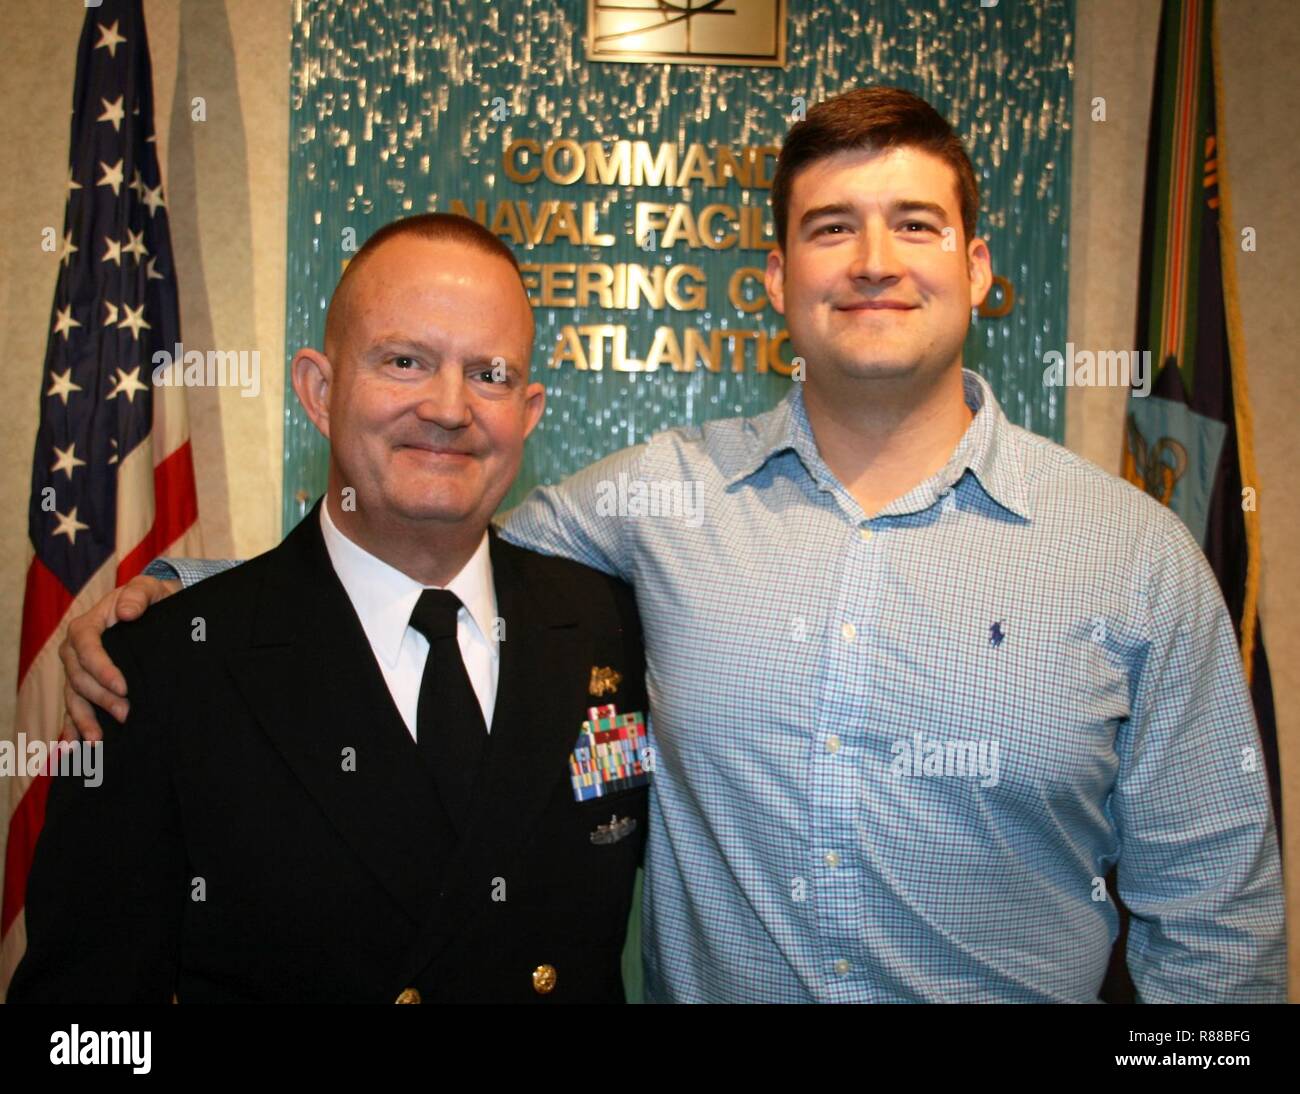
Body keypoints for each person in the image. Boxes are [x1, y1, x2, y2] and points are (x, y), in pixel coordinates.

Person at [60, 88, 1285, 1003]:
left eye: (913, 224)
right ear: (771, 280)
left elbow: (1219, 933)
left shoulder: (1136, 557)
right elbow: (422, 547)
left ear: (974, 267)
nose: (870, 262)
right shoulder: (665, 501)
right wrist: (173, 598)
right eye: (827, 229)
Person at [12, 214, 650, 1003]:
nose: (450, 408)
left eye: (489, 374)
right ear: (319, 390)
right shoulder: (160, 669)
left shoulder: (606, 627)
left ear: (528, 411)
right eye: (405, 361)